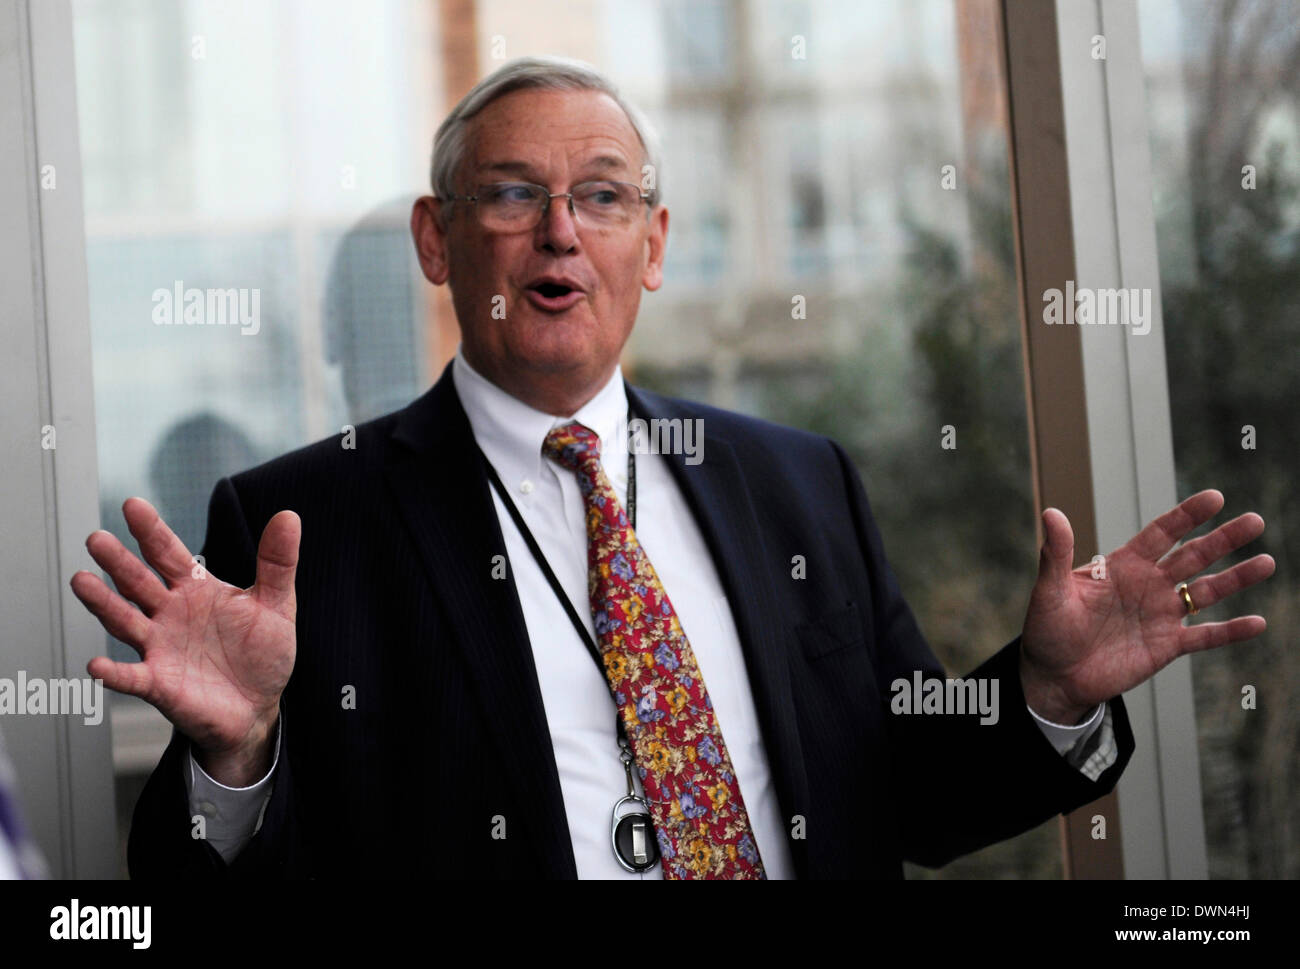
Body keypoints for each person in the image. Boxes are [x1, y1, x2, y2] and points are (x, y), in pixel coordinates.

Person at [71, 57, 1275, 879]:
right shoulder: (302, 523)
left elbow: (916, 792)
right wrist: (236, 762)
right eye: (511, 194)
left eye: (602, 197)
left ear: (650, 249)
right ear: (437, 243)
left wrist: (1047, 695)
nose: (560, 231)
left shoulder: (798, 484)